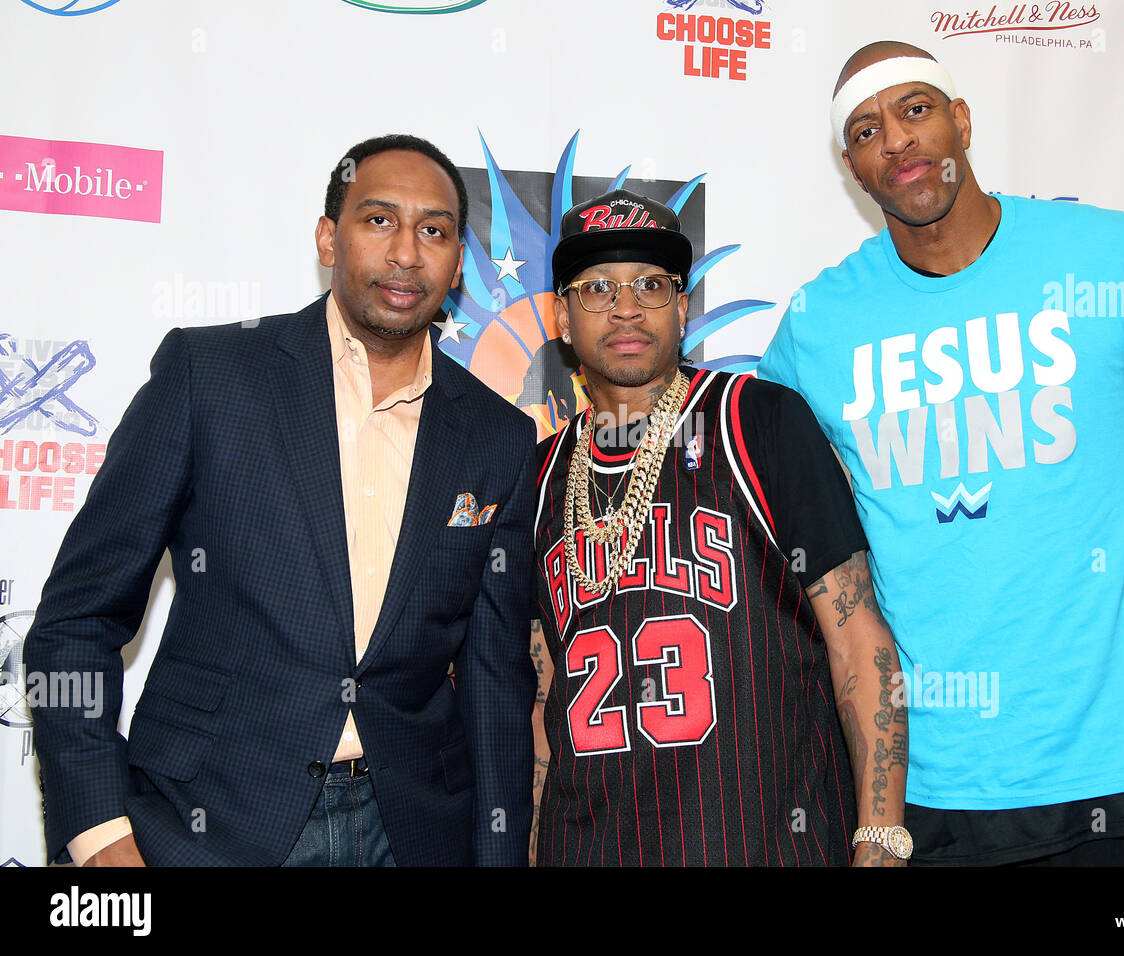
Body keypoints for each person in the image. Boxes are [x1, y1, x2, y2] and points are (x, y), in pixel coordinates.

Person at [759, 41, 1124, 866]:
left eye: (916, 109)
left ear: (962, 121)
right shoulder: (814, 329)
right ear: (853, 170)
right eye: (867, 131)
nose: (897, 140)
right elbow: (796, 543)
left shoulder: (1105, 255)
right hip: (938, 789)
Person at [25, 134, 537, 867]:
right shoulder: (212, 376)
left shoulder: (498, 436)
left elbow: (494, 680)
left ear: (457, 262)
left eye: (434, 230)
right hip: (205, 824)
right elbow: (76, 619)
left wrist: (497, 855)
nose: (405, 252)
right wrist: (99, 832)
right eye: (378, 220)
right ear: (329, 238)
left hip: (414, 832)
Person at [530, 188, 910, 866]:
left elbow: (858, 639)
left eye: (651, 284)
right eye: (597, 289)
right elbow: (540, 699)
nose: (626, 307)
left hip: (761, 844)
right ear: (562, 315)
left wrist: (880, 839)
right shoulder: (538, 476)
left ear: (681, 309)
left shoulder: (759, 421)